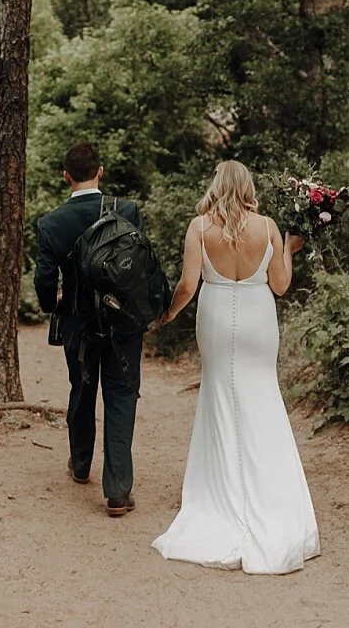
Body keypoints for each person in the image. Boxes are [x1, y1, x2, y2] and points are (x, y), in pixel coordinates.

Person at [149, 160, 319, 575]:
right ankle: (272, 499)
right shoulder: (268, 227)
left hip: (217, 318)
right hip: (260, 320)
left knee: (221, 396)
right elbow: (280, 286)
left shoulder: (199, 227)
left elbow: (189, 285)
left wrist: (168, 315)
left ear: (215, 185)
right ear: (248, 187)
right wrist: (287, 251)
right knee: (262, 398)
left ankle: (222, 497)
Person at [34, 142, 145, 517]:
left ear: (66, 176)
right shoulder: (127, 210)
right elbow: (140, 268)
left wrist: (55, 306)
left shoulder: (51, 224)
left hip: (78, 323)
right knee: (120, 396)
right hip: (123, 324)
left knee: (81, 390)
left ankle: (81, 465)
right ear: (101, 170)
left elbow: (45, 280)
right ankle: (117, 491)